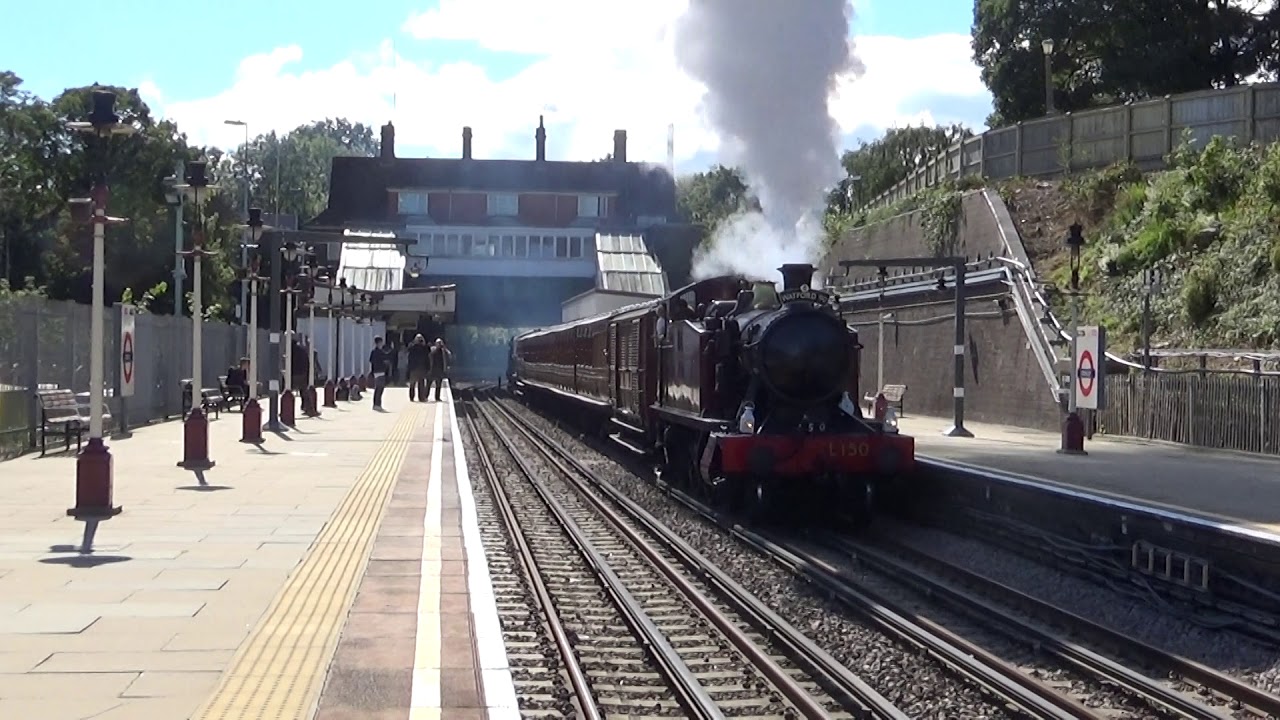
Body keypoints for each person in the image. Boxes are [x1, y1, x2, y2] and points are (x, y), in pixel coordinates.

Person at [426, 337, 453, 402]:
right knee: (428, 384)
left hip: (439, 371)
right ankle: (426, 396)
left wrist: (445, 348)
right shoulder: (432, 350)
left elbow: (449, 355)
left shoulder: (443, 351)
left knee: (438, 385)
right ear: (435, 344)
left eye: (440, 343)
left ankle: (437, 397)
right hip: (432, 370)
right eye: (438, 343)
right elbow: (429, 359)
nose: (439, 344)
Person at [368, 336, 391, 410]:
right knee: (380, 389)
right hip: (380, 371)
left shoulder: (373, 352)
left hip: (375, 371)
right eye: (381, 342)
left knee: (377, 388)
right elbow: (385, 360)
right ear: (378, 343)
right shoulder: (380, 352)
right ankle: (377, 404)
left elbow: (371, 361)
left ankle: (376, 404)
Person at [407, 334, 429, 401]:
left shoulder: (413, 347)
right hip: (419, 367)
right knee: (419, 384)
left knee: (415, 384)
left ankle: (412, 397)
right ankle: (420, 398)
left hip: (416, 368)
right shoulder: (423, 348)